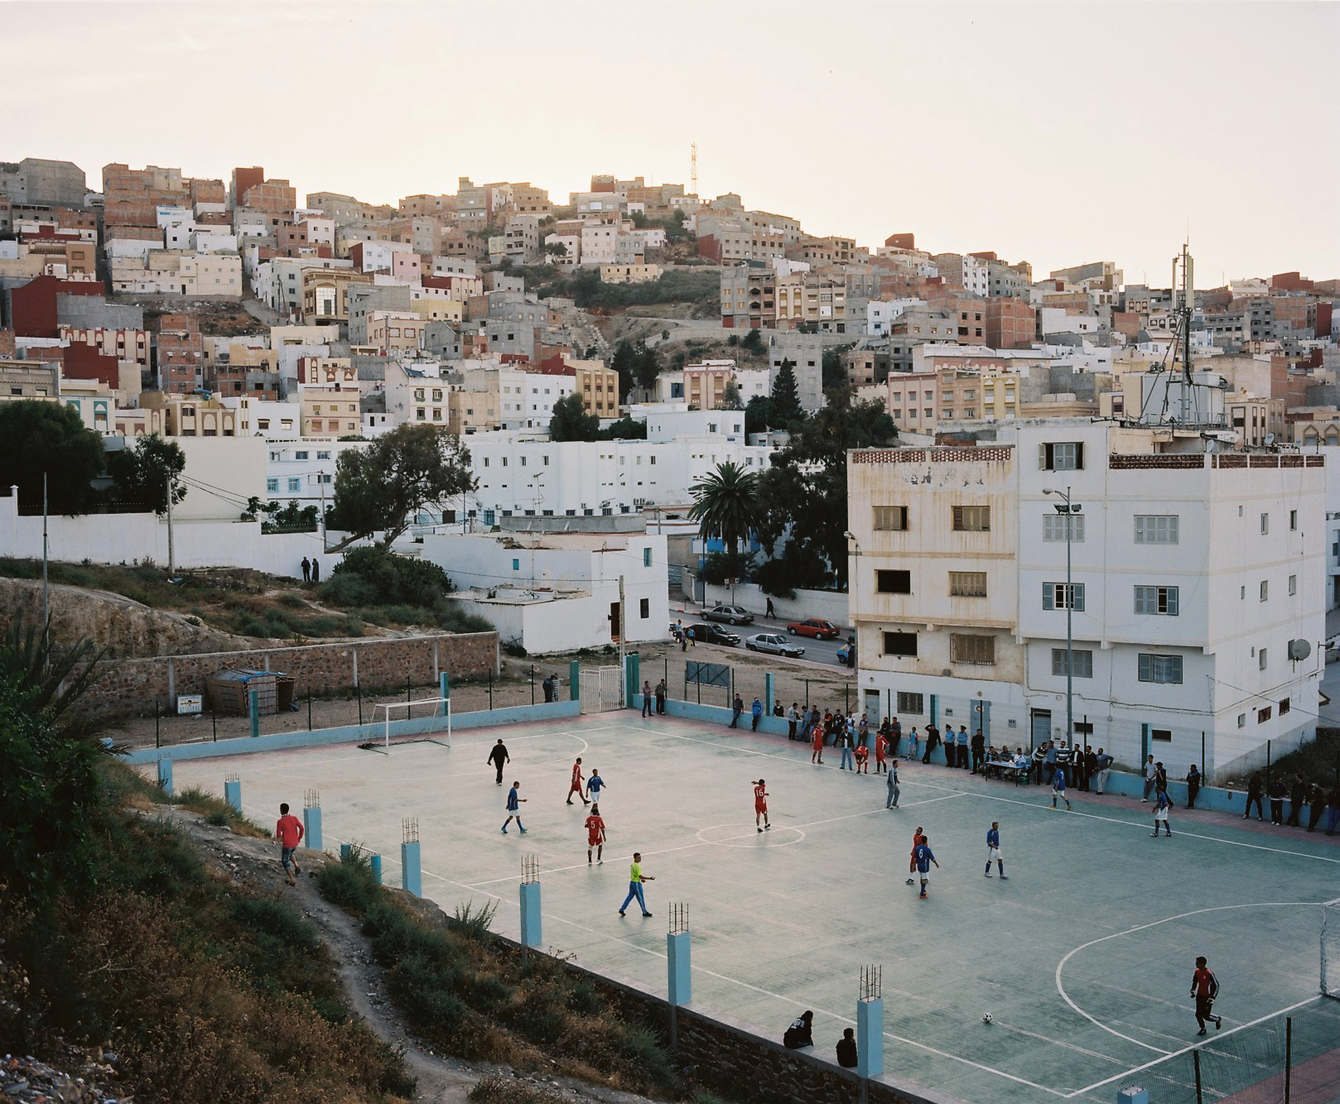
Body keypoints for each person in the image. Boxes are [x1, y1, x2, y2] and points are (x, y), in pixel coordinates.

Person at [1190, 956, 1222, 1035]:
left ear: (1202, 964)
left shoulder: (1209, 973)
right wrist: (1193, 990)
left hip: (1207, 998)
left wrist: (1211, 999)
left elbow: (1217, 986)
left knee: (1206, 1016)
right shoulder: (1197, 971)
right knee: (1198, 1014)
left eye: (1197, 963)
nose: (1196, 964)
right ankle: (1203, 1028)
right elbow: (1195, 981)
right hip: (1199, 996)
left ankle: (1217, 1019)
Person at [275, 802, 304, 886]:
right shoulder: (294, 818)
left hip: (287, 844)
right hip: (295, 843)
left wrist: (278, 839)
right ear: (288, 810)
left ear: (281, 810)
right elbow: (301, 828)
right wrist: (299, 838)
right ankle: (296, 865)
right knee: (290, 853)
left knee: (284, 861)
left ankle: (292, 879)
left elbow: (278, 835)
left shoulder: (280, 821)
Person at [618, 851, 654, 917]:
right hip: (636, 884)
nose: (640, 859)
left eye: (640, 857)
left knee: (629, 897)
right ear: (634, 858)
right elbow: (640, 876)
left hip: (632, 883)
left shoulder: (633, 865)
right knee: (641, 898)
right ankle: (644, 912)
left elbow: (635, 875)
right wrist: (650, 878)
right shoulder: (637, 866)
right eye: (638, 857)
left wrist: (641, 879)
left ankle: (622, 909)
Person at [913, 834, 939, 899]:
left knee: (922, 877)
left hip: (919, 866)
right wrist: (936, 864)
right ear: (926, 841)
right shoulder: (927, 849)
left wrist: (914, 866)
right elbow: (932, 858)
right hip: (924, 867)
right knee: (924, 880)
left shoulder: (917, 848)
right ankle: (922, 894)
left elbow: (915, 858)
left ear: (921, 841)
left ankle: (923, 890)